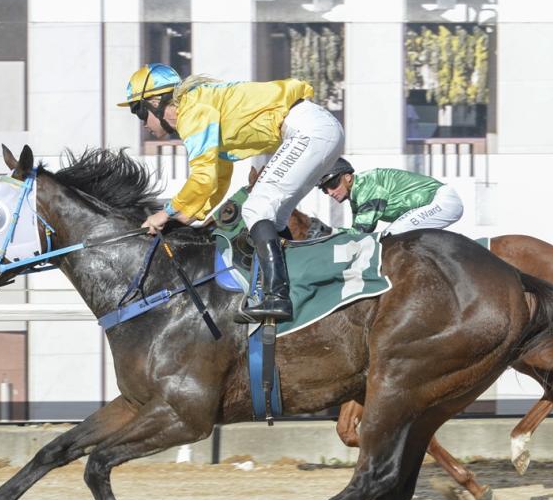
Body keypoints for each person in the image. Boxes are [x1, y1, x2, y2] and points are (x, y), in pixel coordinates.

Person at [118, 63, 344, 323]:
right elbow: (218, 176)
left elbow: (202, 177)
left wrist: (166, 212)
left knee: (256, 208)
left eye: (139, 112)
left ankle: (277, 297)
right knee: (273, 218)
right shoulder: (200, 105)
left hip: (308, 130)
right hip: (317, 129)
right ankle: (294, 290)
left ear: (155, 101)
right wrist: (190, 215)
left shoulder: (191, 111)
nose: (142, 124)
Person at [317, 158, 464, 236]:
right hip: (436, 201)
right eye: (325, 189)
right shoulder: (356, 196)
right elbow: (357, 233)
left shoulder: (366, 188)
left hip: (442, 201)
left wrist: (329, 232)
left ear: (348, 177)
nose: (330, 192)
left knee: (390, 236)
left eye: (333, 184)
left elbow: (361, 233)